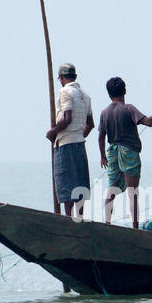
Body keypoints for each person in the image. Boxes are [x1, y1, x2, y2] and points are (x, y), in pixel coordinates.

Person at [97, 77, 152, 227]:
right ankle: (135, 227)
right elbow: (150, 122)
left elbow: (100, 137)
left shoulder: (104, 112)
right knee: (133, 193)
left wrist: (102, 156)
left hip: (112, 152)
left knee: (111, 190)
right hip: (129, 153)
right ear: (125, 91)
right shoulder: (128, 108)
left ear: (108, 93)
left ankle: (106, 223)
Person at [45, 63, 94, 218]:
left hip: (65, 144)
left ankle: (67, 219)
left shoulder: (65, 92)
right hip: (79, 143)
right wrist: (79, 134)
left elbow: (67, 119)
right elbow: (90, 124)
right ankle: (79, 218)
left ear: (61, 78)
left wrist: (52, 132)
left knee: (66, 184)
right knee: (79, 184)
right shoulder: (85, 95)